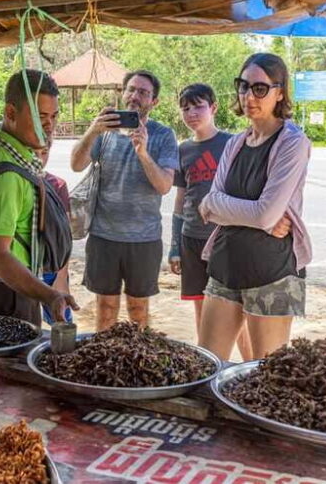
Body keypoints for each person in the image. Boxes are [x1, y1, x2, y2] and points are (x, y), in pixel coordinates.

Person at [197, 53, 311, 361]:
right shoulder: (236, 143)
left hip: (272, 271)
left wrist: (233, 210)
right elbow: (207, 205)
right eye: (243, 86)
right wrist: (255, 216)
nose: (249, 96)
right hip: (225, 266)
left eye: (260, 88)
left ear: (280, 92)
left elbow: (265, 213)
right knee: (207, 365)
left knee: (266, 375)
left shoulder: (292, 142)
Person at [0, 69, 78, 325]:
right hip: (5, 296)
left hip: (11, 287)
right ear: (11, 113)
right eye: (40, 117)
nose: (49, 126)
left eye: (54, 116)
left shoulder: (1, 147)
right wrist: (49, 295)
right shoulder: (6, 174)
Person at [70, 70, 179, 331]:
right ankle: (103, 363)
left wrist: (142, 152)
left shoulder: (163, 135)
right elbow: (76, 164)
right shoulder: (105, 131)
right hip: (103, 236)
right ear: (122, 93)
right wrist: (93, 130)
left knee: (138, 311)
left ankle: (137, 365)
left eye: (143, 92)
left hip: (144, 239)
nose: (135, 96)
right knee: (105, 309)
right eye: (131, 89)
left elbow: (164, 185)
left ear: (154, 102)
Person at [168, 83, 253, 359]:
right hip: (191, 238)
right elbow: (181, 199)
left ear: (213, 108)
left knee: (234, 312)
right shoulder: (183, 150)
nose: (192, 112)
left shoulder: (233, 143)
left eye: (198, 106)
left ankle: (252, 366)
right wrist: (174, 245)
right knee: (202, 311)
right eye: (186, 108)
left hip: (224, 239)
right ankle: (209, 365)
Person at [36, 135, 73, 325]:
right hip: (24, 271)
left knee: (61, 323)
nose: (39, 158)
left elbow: (65, 238)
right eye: (34, 151)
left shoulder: (58, 185)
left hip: (52, 269)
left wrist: (61, 278)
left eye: (44, 152)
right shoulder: (15, 181)